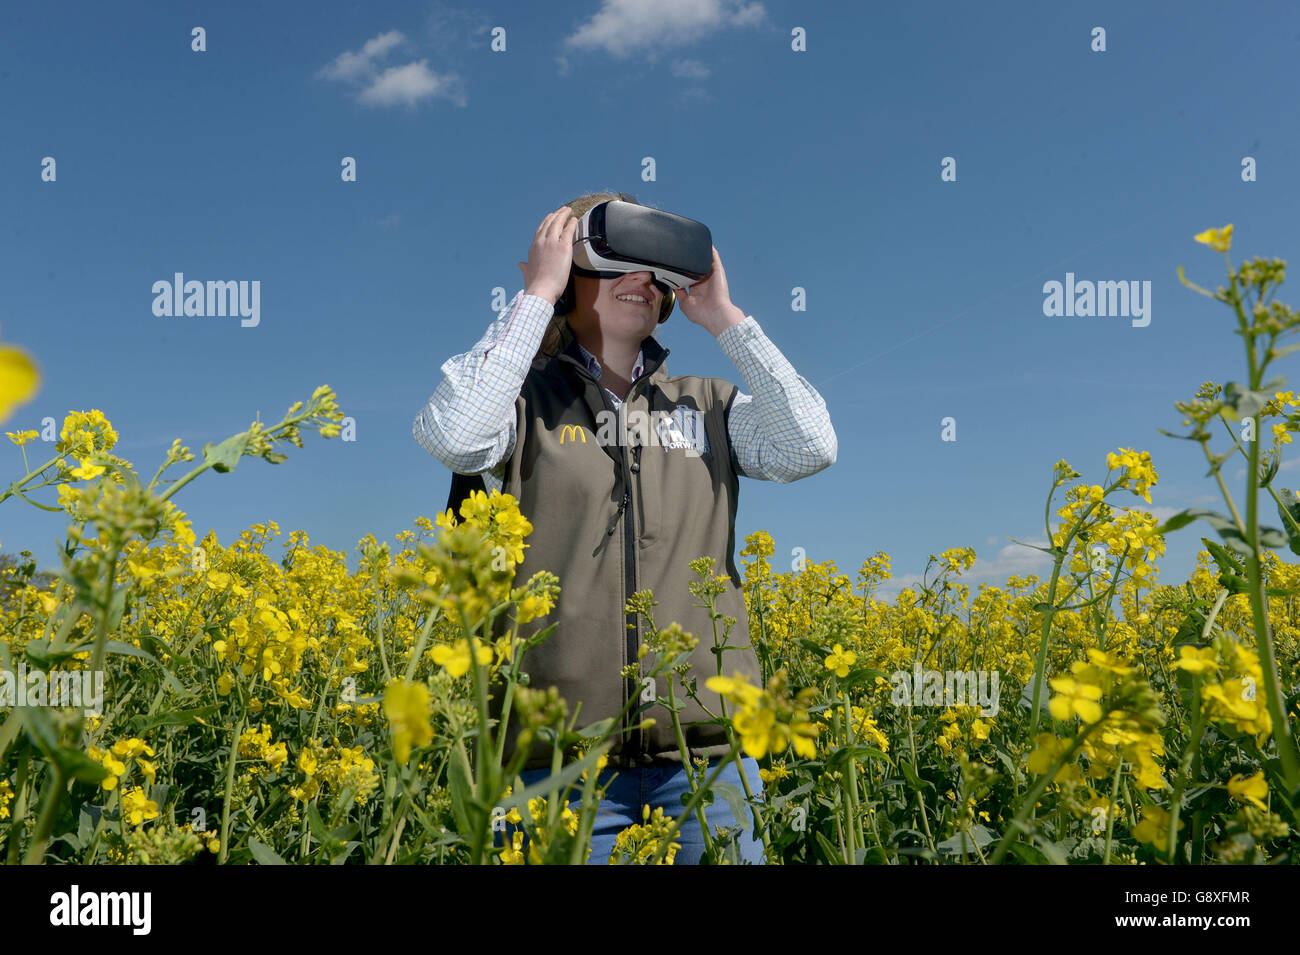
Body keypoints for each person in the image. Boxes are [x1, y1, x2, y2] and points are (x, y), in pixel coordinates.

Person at [413, 191, 837, 863]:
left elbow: (810, 444)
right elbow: (456, 436)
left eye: (653, 267)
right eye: (616, 259)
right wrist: (538, 295)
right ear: (571, 268)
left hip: (707, 768)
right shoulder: (521, 407)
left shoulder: (707, 405)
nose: (640, 279)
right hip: (551, 772)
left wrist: (724, 317)